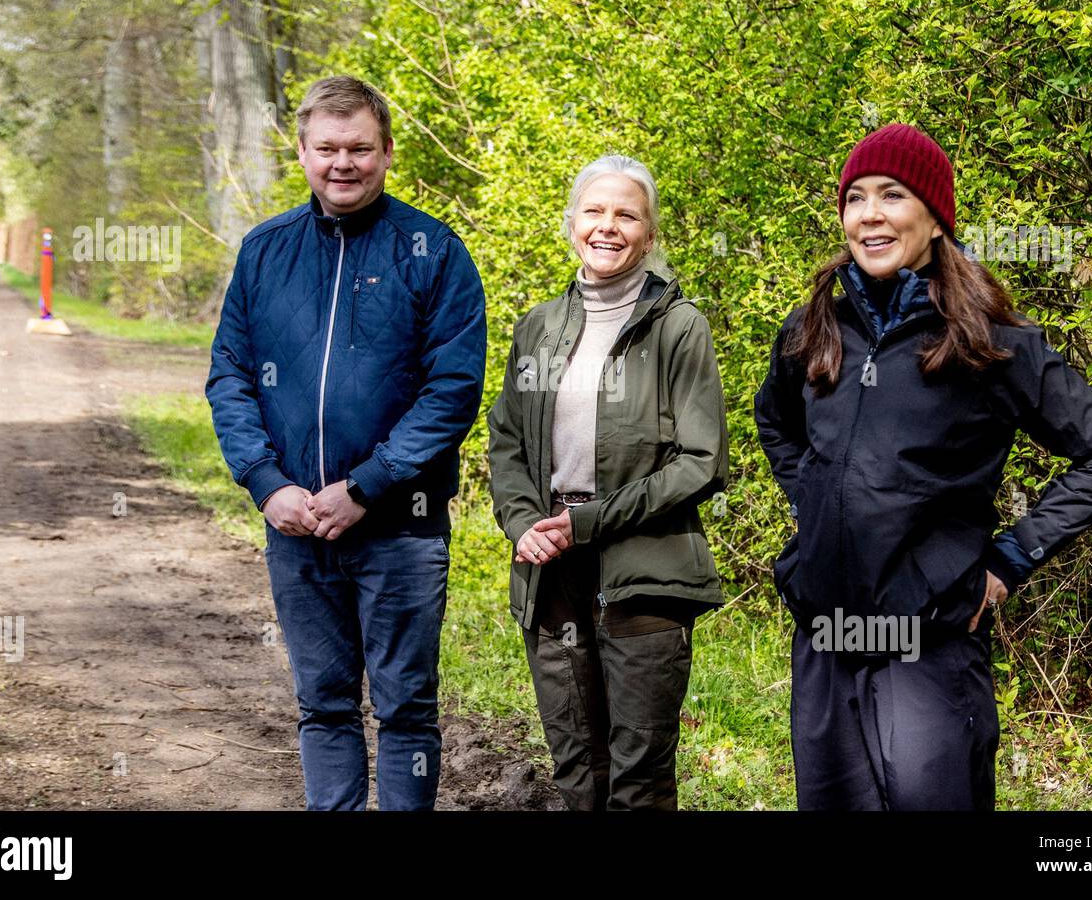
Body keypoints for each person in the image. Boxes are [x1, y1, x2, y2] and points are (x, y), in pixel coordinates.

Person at [754, 122, 1092, 811]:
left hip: (925, 644)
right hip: (825, 638)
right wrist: (813, 503)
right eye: (855, 198)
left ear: (935, 217)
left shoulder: (989, 341)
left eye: (893, 195)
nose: (869, 215)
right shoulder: (814, 328)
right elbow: (776, 423)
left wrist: (1012, 557)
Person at [205, 75, 487, 810]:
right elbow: (229, 376)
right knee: (323, 705)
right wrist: (267, 483)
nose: (343, 163)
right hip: (297, 527)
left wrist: (367, 485)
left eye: (360, 148)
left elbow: (453, 391)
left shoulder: (433, 250)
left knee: (405, 710)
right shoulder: (265, 252)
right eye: (327, 148)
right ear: (301, 153)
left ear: (387, 152)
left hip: (401, 526)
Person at [487, 154, 729, 810]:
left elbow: (701, 461)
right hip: (551, 569)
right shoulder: (538, 327)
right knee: (576, 765)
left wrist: (589, 521)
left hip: (646, 573)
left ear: (649, 235)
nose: (608, 226)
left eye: (627, 214)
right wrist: (520, 524)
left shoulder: (680, 328)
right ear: (571, 224)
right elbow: (506, 443)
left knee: (638, 773)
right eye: (594, 211)